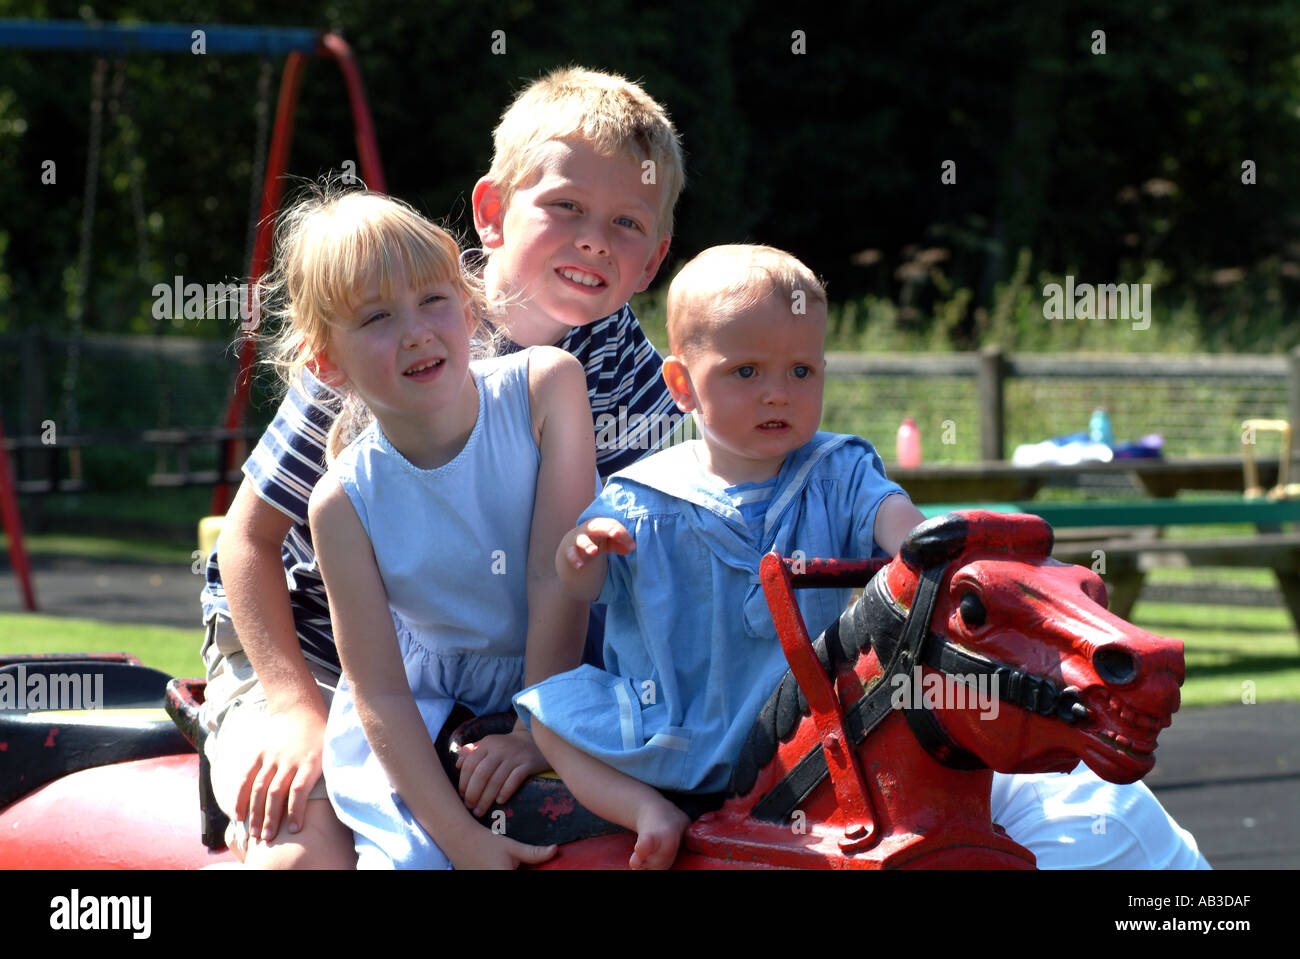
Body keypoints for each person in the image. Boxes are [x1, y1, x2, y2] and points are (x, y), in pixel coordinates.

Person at [516, 244, 1209, 870]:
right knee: (555, 717)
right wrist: (583, 549)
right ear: (681, 385)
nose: (777, 392)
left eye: (801, 369)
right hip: (679, 720)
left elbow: (901, 528)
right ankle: (647, 810)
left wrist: (928, 539)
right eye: (745, 371)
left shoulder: (839, 470)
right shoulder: (645, 493)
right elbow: (583, 581)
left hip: (811, 732)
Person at [196, 66, 686, 868]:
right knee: (302, 845)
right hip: (308, 638)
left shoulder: (633, 381)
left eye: (628, 223)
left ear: (654, 258)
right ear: (491, 212)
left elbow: (622, 571)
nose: (596, 238)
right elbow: (247, 544)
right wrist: (292, 706)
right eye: (566, 207)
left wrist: (547, 722)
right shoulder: (395, 315)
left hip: (482, 660)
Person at [284, 187, 593, 868]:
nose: (418, 332)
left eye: (432, 300)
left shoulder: (547, 389)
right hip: (421, 707)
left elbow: (556, 577)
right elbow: (381, 691)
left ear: (469, 303)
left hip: (568, 672)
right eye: (377, 317)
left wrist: (535, 727)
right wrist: (466, 843)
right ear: (325, 362)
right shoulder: (342, 501)